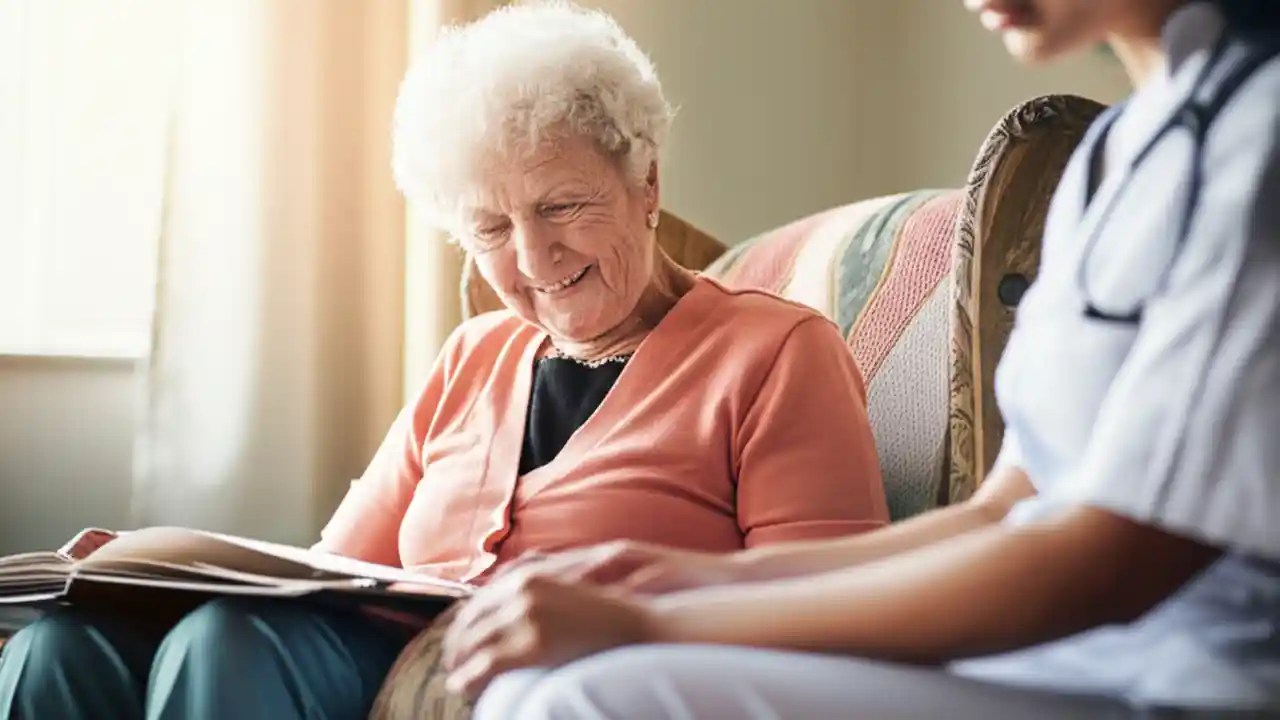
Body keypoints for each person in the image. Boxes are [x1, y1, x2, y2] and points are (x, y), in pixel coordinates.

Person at [0, 3, 889, 719]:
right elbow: (324, 572)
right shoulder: (473, 353)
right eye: (492, 229)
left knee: (227, 644)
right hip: (374, 651)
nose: (534, 260)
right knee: (59, 644)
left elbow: (827, 607)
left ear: (646, 183)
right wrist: (151, 572)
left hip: (561, 677)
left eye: (562, 205)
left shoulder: (775, 354)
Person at [443, 1, 1280, 717]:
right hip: (1060, 663)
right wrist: (678, 578)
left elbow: (1110, 560)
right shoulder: (1117, 153)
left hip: (1180, 680)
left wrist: (657, 623)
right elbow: (1005, 512)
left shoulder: (1258, 138)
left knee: (581, 700)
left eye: (560, 206)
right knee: (539, 687)